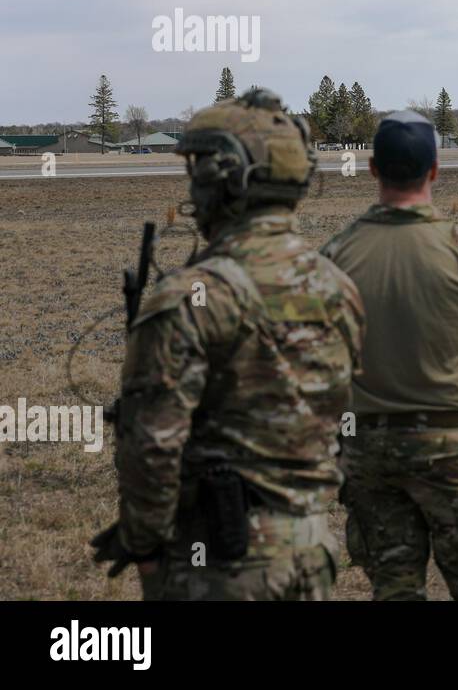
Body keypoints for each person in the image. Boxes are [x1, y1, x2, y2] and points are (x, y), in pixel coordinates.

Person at [90, 89, 365, 600]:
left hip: (222, 565)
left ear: (226, 179)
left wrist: (147, 552)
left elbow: (151, 445)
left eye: (198, 169)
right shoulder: (337, 286)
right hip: (311, 549)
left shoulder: (190, 298)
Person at [321, 110, 458, 600]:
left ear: (373, 169)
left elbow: (311, 369)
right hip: (456, 448)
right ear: (436, 169)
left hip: (370, 453)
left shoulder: (334, 258)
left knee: (394, 590)